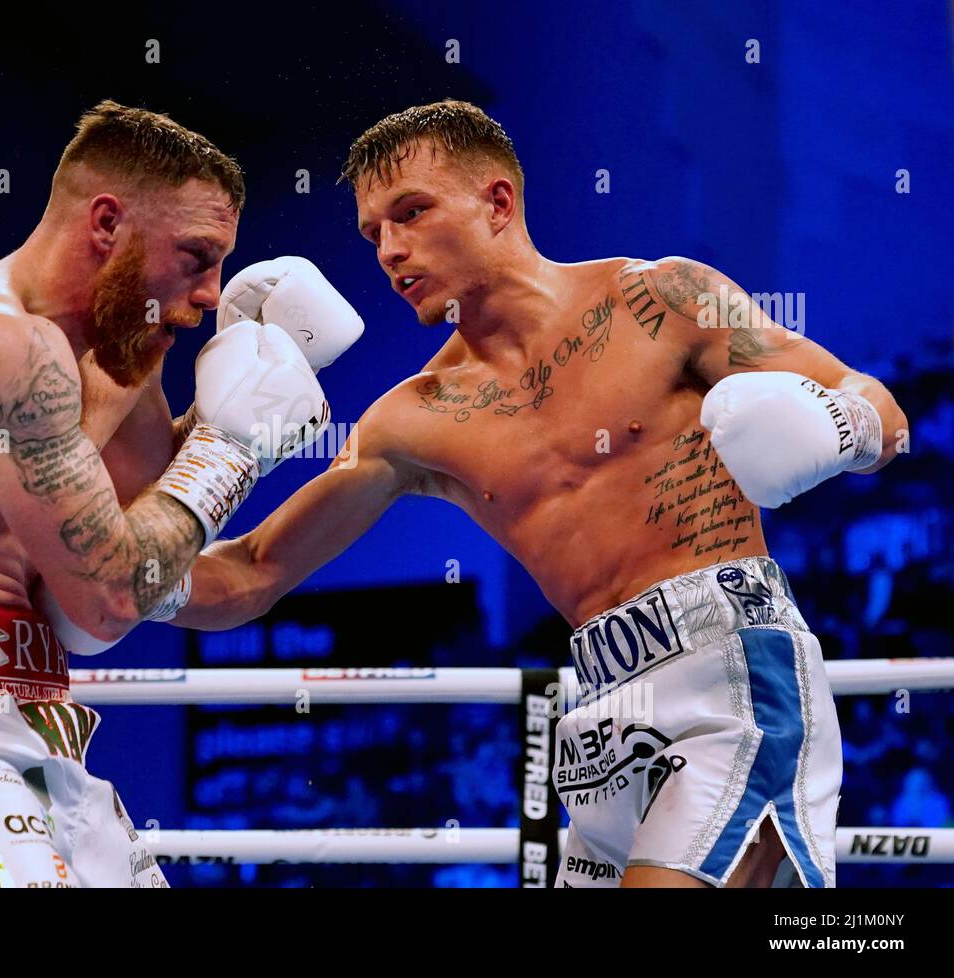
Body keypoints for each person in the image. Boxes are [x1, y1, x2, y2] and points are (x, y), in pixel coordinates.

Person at [173, 100, 909, 888]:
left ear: (498, 202)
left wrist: (842, 425)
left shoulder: (659, 300)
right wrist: (120, 554)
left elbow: (880, 409)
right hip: (599, 729)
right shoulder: (413, 418)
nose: (389, 250)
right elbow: (247, 575)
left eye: (411, 213)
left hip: (733, 681)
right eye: (372, 233)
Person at [0, 99, 361, 887]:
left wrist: (243, 392)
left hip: (39, 709)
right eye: (197, 257)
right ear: (107, 224)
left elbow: (147, 553)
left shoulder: (117, 357)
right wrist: (233, 446)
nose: (209, 295)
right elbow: (108, 597)